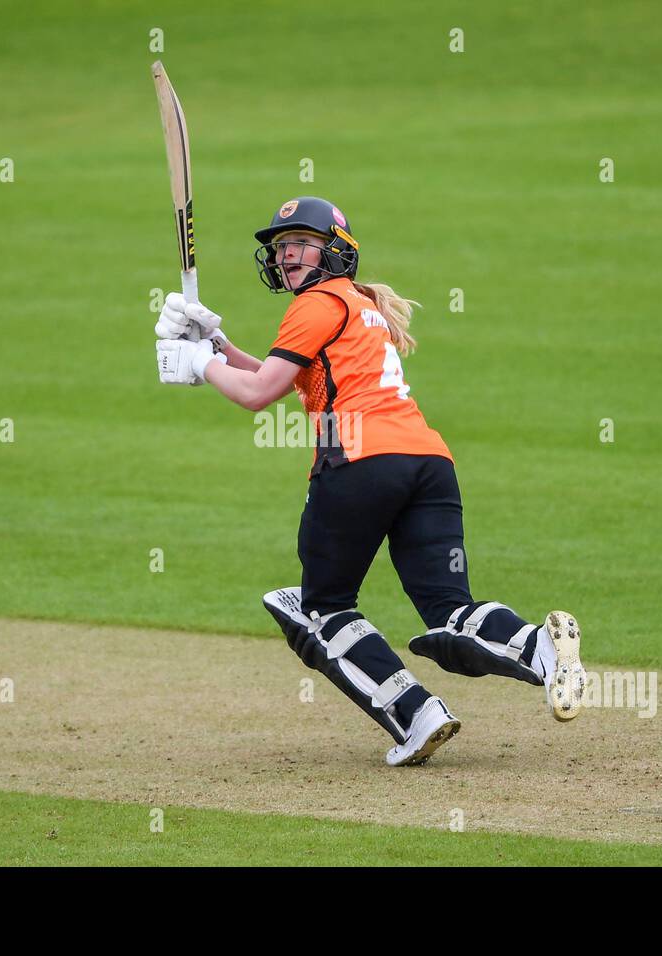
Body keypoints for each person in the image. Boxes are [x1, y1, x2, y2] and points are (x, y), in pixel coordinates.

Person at [155, 196, 587, 766]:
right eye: (282, 247)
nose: (286, 256)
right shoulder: (359, 307)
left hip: (356, 461)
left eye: (300, 244)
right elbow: (283, 377)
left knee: (321, 610)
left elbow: (257, 396)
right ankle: (540, 648)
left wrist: (194, 365)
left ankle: (417, 714)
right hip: (428, 463)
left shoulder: (315, 303)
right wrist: (217, 345)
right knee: (448, 607)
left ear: (336, 250)